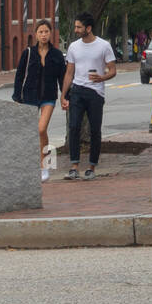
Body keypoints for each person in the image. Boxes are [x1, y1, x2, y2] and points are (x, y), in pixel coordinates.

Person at [59, 11, 116, 180]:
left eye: (79, 27)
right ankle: (74, 166)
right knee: (74, 127)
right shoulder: (73, 47)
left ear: (88, 28)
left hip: (96, 93)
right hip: (77, 90)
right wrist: (64, 95)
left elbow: (113, 70)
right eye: (75, 26)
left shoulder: (104, 46)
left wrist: (102, 77)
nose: (76, 29)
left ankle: (92, 166)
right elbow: (69, 72)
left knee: (94, 129)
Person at [12, 20, 67, 181]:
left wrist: (65, 96)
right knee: (30, 132)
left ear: (51, 34)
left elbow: (62, 78)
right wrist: (17, 97)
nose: (43, 35)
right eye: (40, 32)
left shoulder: (56, 54)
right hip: (29, 96)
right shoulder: (28, 53)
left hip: (48, 97)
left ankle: (45, 166)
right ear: (35, 34)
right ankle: (31, 165)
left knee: (41, 129)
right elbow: (19, 76)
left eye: (46, 32)